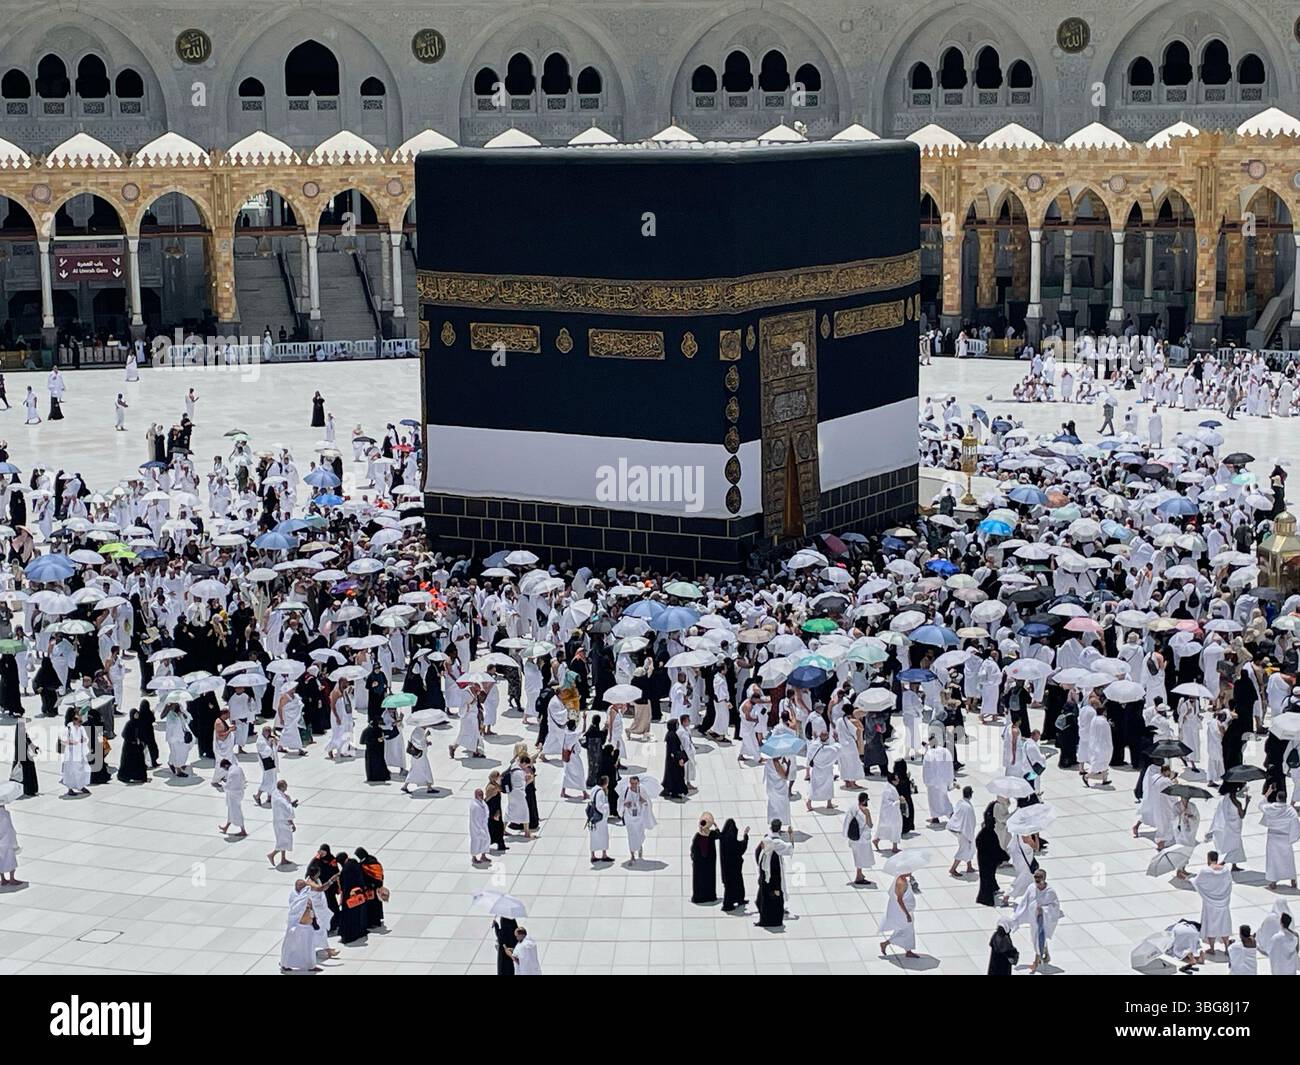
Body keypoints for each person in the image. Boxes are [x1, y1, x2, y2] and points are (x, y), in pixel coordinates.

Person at [1011, 868, 1063, 972]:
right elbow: (1024, 902)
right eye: (1035, 877)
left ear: (1044, 878)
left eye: (1039, 877)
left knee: (1038, 939)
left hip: (1043, 920)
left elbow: (1055, 906)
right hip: (1033, 919)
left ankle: (1036, 961)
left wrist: (1043, 910)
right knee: (1036, 939)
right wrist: (1016, 916)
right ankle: (1045, 954)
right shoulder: (1031, 888)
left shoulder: (1050, 892)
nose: (1037, 879)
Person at [1192, 851, 1235, 954]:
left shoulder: (1205, 871)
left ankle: (1212, 948)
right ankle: (1226, 947)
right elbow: (1229, 883)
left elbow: (1197, 882)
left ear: (1208, 858)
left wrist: (1189, 879)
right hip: (1223, 902)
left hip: (1210, 902)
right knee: (1224, 924)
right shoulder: (1226, 870)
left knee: (1210, 924)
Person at [754, 819, 793, 928]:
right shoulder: (773, 855)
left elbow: (757, 853)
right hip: (772, 885)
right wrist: (791, 835)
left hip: (766, 884)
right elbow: (790, 848)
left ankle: (765, 919)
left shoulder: (765, 854)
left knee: (764, 901)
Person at [279, 880, 321, 973]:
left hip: (308, 927)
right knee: (290, 947)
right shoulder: (295, 896)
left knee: (309, 947)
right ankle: (285, 965)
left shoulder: (307, 896)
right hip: (297, 927)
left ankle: (311, 965)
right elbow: (295, 909)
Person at [879, 870, 918, 958]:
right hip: (903, 912)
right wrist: (906, 914)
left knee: (908, 930)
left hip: (907, 910)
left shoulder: (904, 879)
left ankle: (908, 950)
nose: (911, 871)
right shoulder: (901, 882)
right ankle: (885, 943)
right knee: (906, 931)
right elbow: (899, 900)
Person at [621, 775, 656, 862]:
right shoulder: (625, 791)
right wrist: (625, 804)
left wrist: (643, 801)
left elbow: (648, 803)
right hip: (629, 817)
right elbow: (620, 803)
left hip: (639, 816)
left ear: (638, 783)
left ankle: (639, 846)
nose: (633, 785)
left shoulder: (642, 790)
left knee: (639, 834)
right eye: (632, 783)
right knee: (631, 835)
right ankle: (632, 854)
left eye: (635, 783)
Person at [844, 791, 875, 885]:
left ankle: (860, 874)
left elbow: (847, 822)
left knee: (857, 856)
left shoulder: (852, 808)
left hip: (853, 838)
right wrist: (867, 815)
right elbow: (870, 825)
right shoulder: (865, 811)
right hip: (862, 839)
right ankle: (858, 876)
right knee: (861, 858)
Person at [690, 813, 721, 903]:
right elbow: (719, 835)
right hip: (710, 863)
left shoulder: (697, 836)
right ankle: (710, 896)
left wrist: (693, 859)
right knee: (709, 879)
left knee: (699, 880)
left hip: (699, 864)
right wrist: (716, 826)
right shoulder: (711, 834)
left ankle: (699, 897)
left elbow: (693, 850)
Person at [947, 785, 977, 877]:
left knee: (969, 848)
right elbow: (968, 822)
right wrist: (969, 835)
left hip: (958, 829)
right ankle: (953, 869)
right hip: (963, 831)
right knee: (963, 849)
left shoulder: (961, 802)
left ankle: (969, 866)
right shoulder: (967, 807)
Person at [719, 819, 749, 912]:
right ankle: (728, 905)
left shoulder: (723, 838)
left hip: (727, 868)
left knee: (734, 885)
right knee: (732, 886)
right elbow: (740, 848)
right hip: (734, 868)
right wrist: (745, 837)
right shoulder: (731, 841)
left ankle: (739, 899)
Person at [268, 779, 295, 866]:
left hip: (279, 821)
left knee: (284, 840)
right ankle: (272, 855)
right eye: (285, 786)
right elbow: (286, 811)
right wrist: (291, 823)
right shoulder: (280, 799)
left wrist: (290, 802)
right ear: (282, 787)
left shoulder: (276, 793)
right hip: (282, 822)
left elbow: (286, 801)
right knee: (283, 841)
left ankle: (283, 859)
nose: (286, 788)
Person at [217, 759, 247, 837]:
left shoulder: (232, 772)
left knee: (236, 811)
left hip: (234, 795)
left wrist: (222, 783)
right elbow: (243, 779)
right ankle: (226, 827)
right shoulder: (238, 768)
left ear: (226, 765)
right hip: (239, 792)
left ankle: (243, 830)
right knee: (231, 811)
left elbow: (228, 786)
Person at [586, 777, 610, 863]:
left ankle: (593, 855)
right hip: (600, 819)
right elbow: (599, 806)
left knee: (593, 837)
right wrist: (607, 806)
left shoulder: (594, 789)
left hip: (592, 817)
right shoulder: (601, 793)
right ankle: (604, 854)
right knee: (603, 836)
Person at [0, 798, 21, 886]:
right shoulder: (4, 814)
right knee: (10, 859)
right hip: (6, 841)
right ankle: (12, 878)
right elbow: (9, 828)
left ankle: (3, 879)